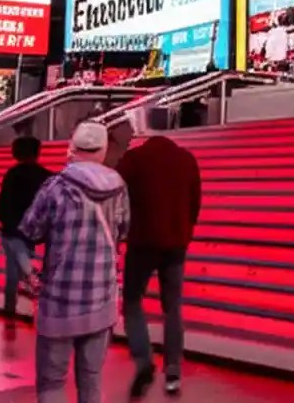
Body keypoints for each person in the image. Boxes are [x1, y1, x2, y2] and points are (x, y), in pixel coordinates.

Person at [18, 121, 130, 403]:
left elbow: (30, 230)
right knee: (91, 380)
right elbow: (125, 230)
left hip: (59, 301)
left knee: (52, 382)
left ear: (72, 148)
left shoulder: (55, 186)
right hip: (101, 299)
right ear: (103, 150)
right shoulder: (119, 187)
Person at [118, 136, 202, 398]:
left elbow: (118, 195)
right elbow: (195, 200)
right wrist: (186, 229)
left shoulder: (134, 160)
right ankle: (173, 370)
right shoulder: (186, 159)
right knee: (173, 305)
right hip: (176, 242)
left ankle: (144, 361)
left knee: (132, 301)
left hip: (142, 242)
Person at [0, 135, 51, 323]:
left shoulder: (12, 174)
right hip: (35, 230)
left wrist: (3, 220)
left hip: (13, 227)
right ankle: (29, 272)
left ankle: (11, 305)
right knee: (18, 257)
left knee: (12, 267)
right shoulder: (46, 176)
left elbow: (4, 202)